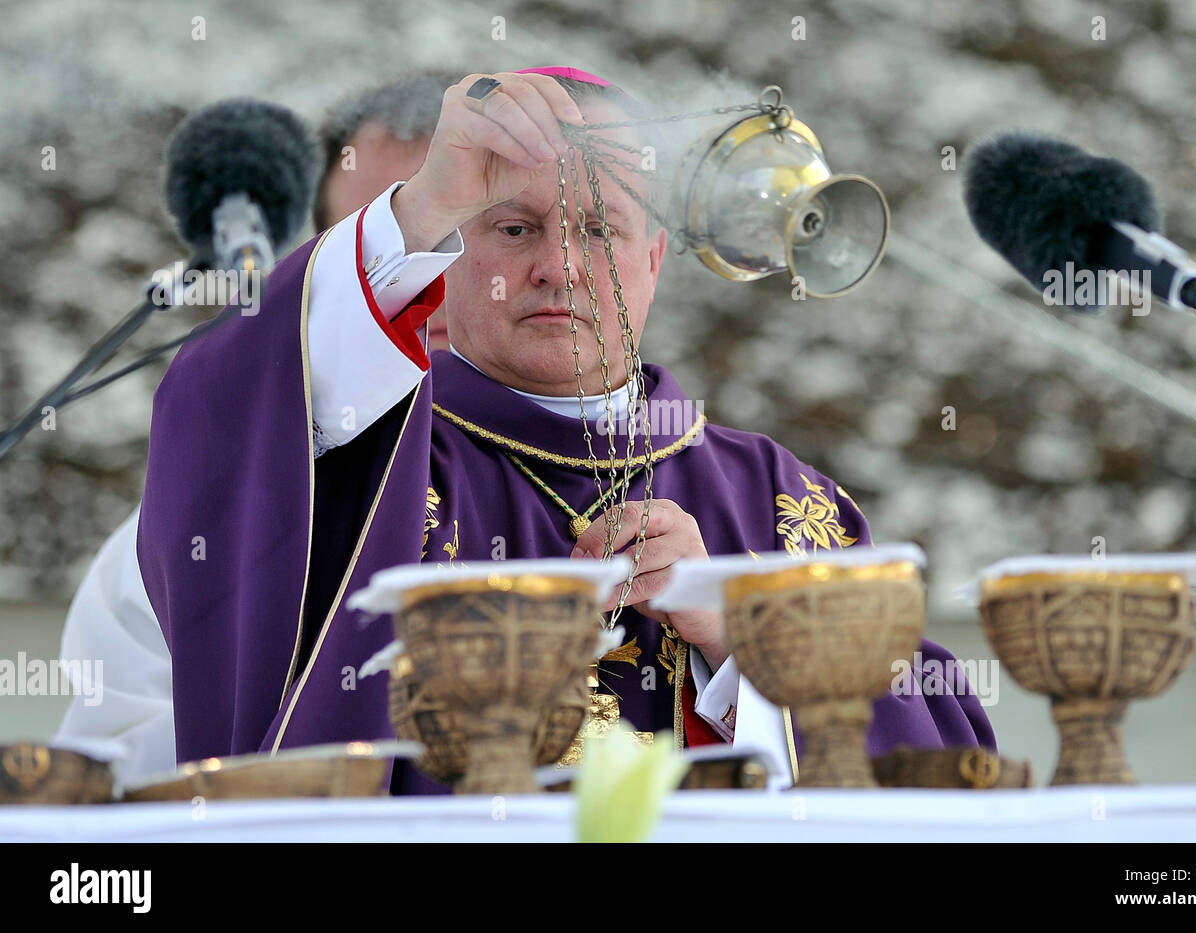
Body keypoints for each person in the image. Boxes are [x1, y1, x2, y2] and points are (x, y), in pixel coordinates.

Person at [124, 66, 995, 792]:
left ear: (654, 260)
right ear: (449, 254)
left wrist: (750, 640)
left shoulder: (778, 499)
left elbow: (939, 754)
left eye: (599, 227)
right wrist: (423, 203)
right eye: (513, 227)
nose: (558, 266)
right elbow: (221, 418)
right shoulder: (365, 454)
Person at [54, 73, 457, 784]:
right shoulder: (177, 534)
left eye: (453, 230)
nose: (418, 283)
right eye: (388, 242)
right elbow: (115, 780)